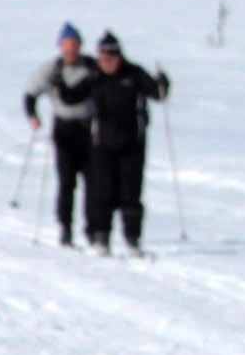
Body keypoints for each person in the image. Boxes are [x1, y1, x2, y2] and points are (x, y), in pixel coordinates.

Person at [73, 32, 171, 253]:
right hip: (102, 145)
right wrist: (59, 85)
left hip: (132, 144)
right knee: (102, 191)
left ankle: (132, 238)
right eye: (103, 58)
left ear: (119, 56)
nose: (107, 62)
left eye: (111, 58)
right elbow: (72, 96)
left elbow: (157, 93)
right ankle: (101, 237)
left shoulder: (133, 73)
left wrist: (163, 83)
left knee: (131, 194)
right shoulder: (94, 77)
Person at [24, 25, 103, 245]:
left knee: (93, 183)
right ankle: (65, 228)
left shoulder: (91, 66)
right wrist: (33, 115)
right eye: (67, 45)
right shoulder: (52, 69)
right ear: (60, 46)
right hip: (64, 130)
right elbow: (30, 92)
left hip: (89, 129)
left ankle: (92, 229)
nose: (71, 49)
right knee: (67, 183)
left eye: (75, 44)